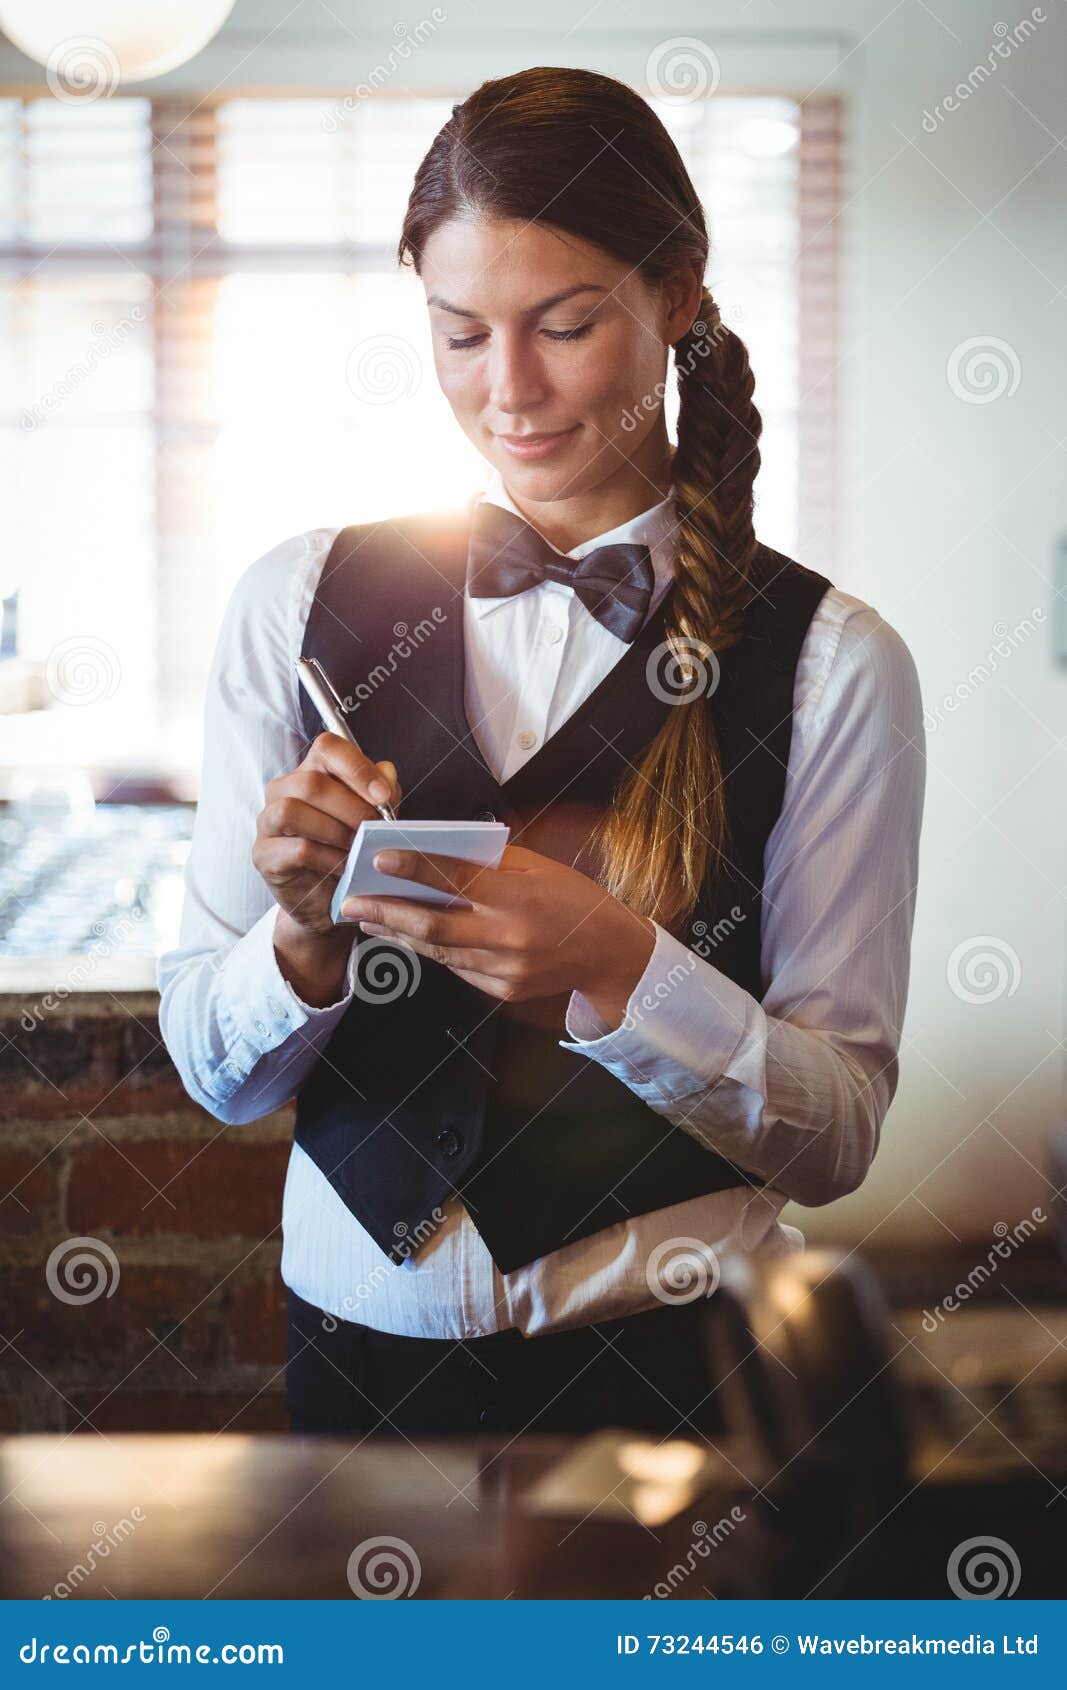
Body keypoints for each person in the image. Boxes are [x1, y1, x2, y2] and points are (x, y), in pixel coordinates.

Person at [157, 66, 925, 1442]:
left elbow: (840, 1135)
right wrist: (298, 944)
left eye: (564, 326)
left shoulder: (835, 664)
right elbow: (218, 1076)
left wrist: (619, 972)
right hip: (352, 1373)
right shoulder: (292, 604)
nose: (508, 392)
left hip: (676, 1374)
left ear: (677, 294)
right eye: (460, 335)